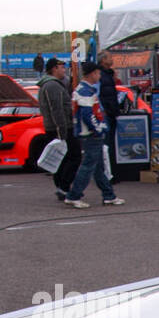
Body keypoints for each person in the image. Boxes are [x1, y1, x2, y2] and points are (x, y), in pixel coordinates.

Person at [63, 62, 123, 208]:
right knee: (89, 166)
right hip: (90, 134)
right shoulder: (86, 91)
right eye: (98, 73)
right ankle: (74, 195)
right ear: (92, 74)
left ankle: (108, 195)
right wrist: (99, 129)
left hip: (88, 133)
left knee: (97, 167)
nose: (100, 76)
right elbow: (87, 115)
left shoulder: (84, 89)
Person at [37, 57, 78, 201]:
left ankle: (62, 187)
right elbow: (57, 110)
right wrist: (61, 132)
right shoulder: (52, 86)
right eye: (62, 67)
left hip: (56, 128)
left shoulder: (52, 84)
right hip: (61, 128)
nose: (64, 70)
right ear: (54, 68)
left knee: (61, 159)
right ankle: (64, 187)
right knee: (74, 156)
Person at [97, 51, 121, 183]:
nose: (112, 59)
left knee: (109, 145)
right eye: (109, 57)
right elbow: (97, 94)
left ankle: (110, 173)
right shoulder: (100, 75)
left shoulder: (107, 75)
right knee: (106, 146)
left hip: (111, 112)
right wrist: (103, 111)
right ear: (103, 60)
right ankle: (106, 175)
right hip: (106, 114)